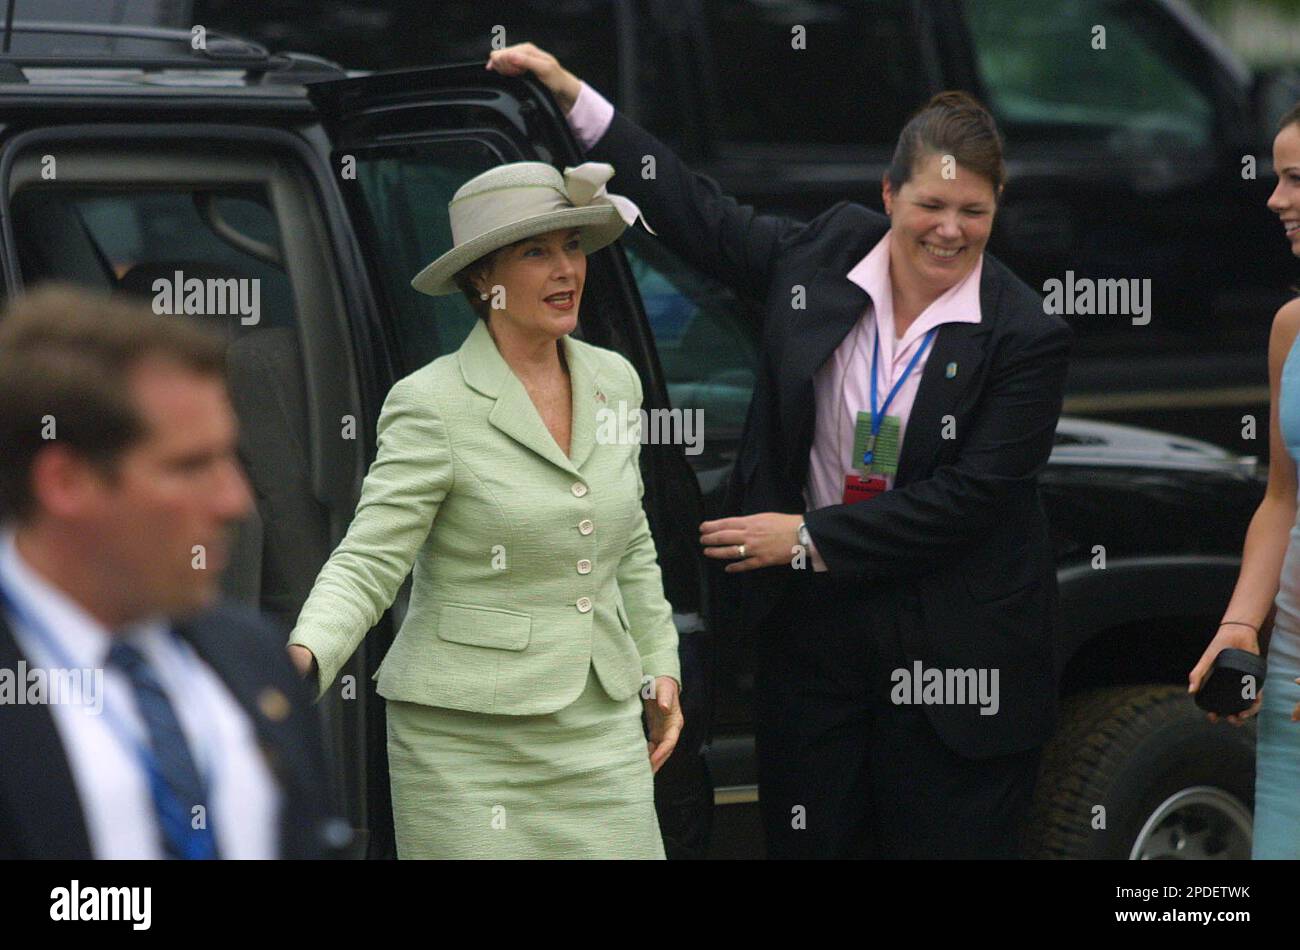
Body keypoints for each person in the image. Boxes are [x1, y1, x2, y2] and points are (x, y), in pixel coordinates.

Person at [490, 42, 1074, 858]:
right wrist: (573, 96)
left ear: (997, 207)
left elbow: (976, 499)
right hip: (816, 637)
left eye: (973, 212)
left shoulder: (1024, 333)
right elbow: (696, 214)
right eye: (931, 205)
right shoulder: (826, 255)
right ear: (889, 194)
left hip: (953, 649)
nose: (949, 230)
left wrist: (803, 538)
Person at [286, 160, 683, 859]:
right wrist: (302, 657)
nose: (566, 269)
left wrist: (661, 667)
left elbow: (633, 547)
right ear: (482, 279)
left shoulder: (614, 382)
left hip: (601, 729)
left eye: (571, 247)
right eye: (536, 252)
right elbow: (371, 558)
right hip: (465, 744)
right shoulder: (430, 402)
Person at [0, 285, 343, 859]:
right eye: (190, 466)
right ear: (65, 483)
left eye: (230, 458)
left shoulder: (251, 656)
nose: (235, 501)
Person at [1189, 101, 1300, 860]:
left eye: (1297, 179)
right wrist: (1239, 627)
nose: (1274, 198)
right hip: (1293, 673)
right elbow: (1282, 500)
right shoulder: (1292, 327)